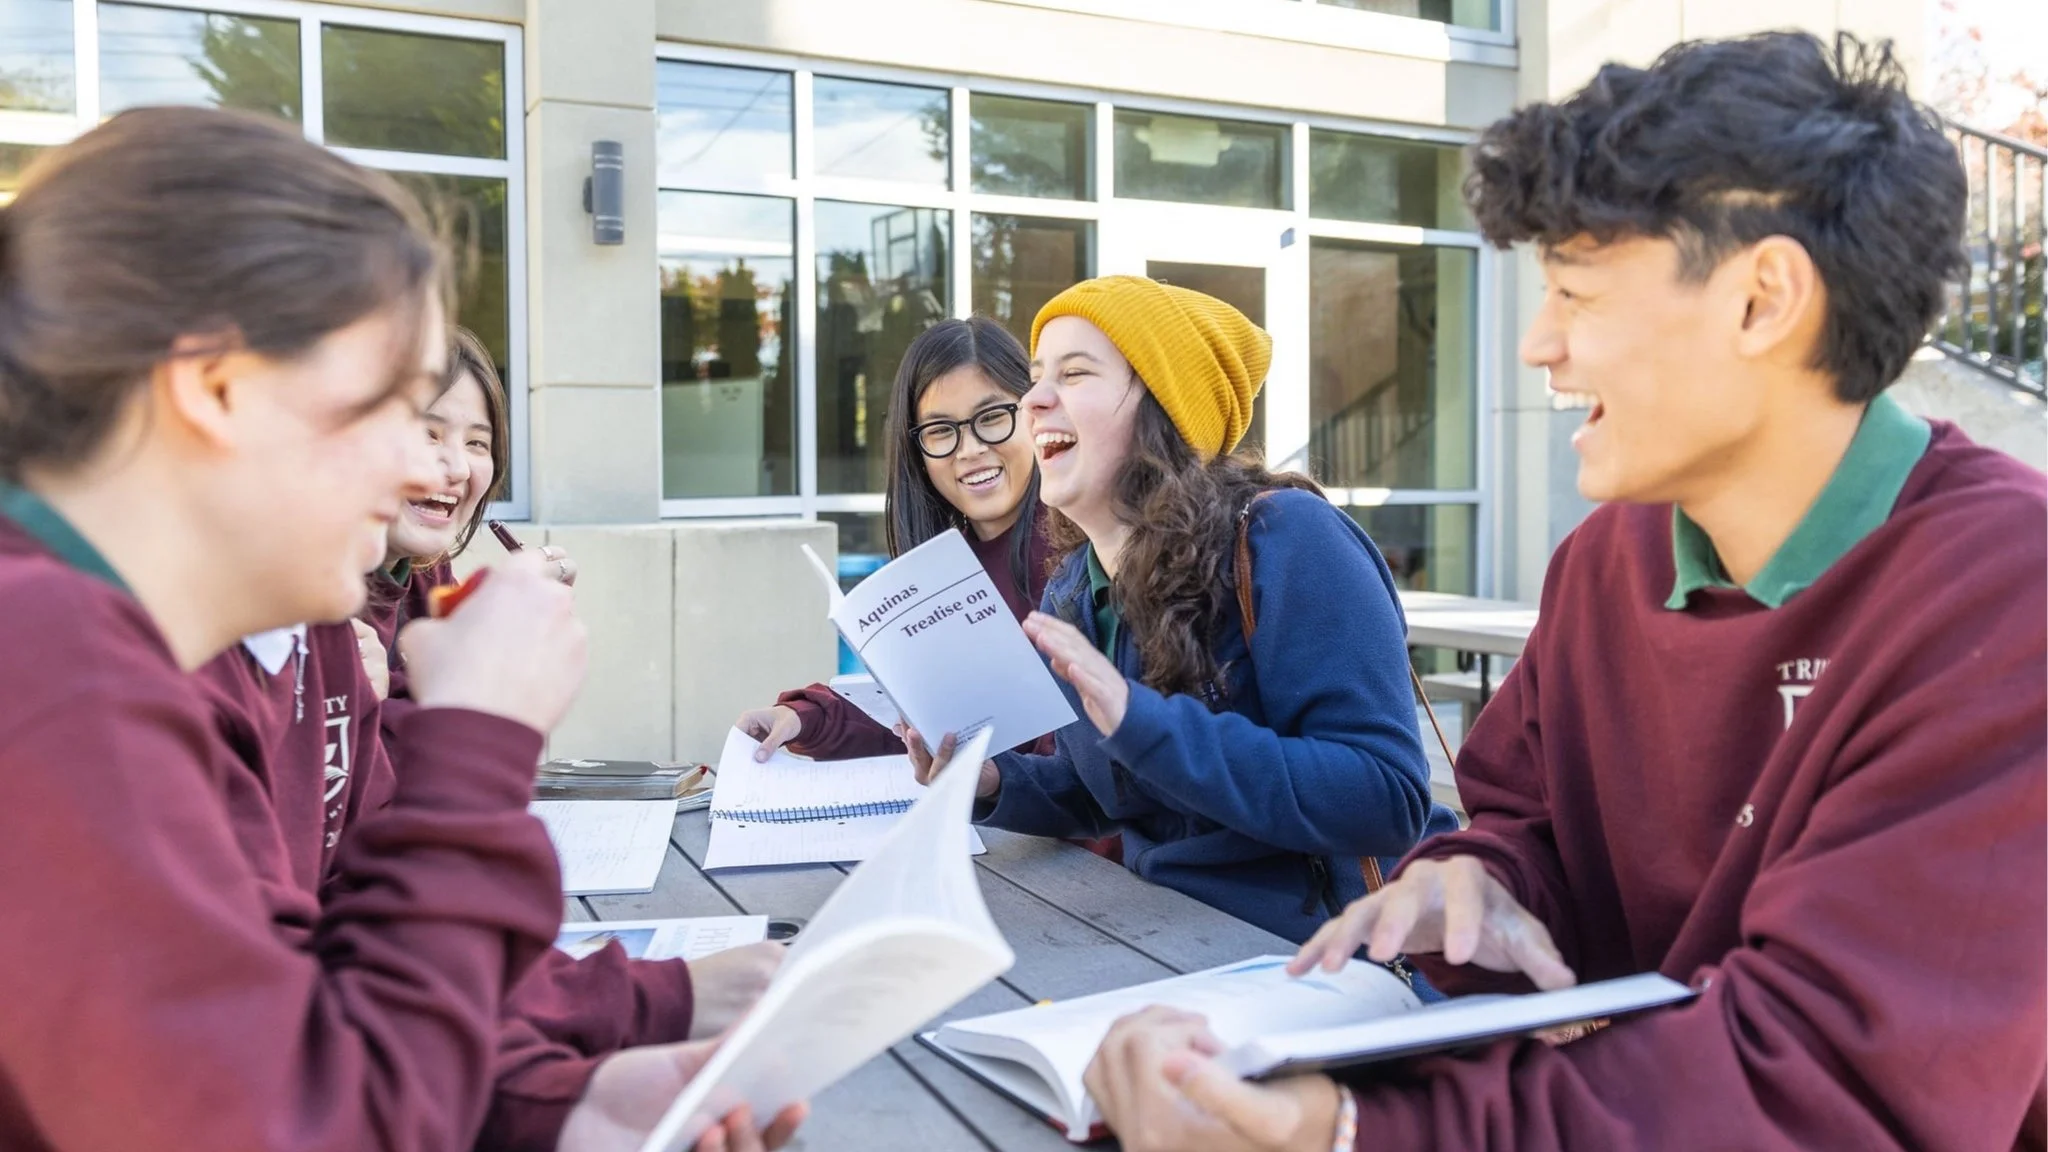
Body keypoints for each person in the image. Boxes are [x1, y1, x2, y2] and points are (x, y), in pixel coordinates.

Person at [1082, 32, 2046, 1152]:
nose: (1539, 345)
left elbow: (1829, 1092)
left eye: (1575, 292)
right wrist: (1475, 880)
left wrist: (1345, 1131)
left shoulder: (2001, 595)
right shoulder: (1607, 562)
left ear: (1760, 299)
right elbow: (1519, 823)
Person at [0, 106, 797, 1152]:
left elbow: (298, 1015)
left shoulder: (124, 641)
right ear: (217, 387)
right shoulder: (43, 656)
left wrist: (558, 1107)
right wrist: (476, 739)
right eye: (390, 405)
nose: (429, 472)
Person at [907, 277, 1460, 948]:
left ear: (1166, 410)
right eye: (1034, 378)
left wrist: (1147, 725)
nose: (1034, 401)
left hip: (1320, 958)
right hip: (1167, 940)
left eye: (1075, 373)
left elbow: (1385, 799)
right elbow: (1119, 794)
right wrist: (994, 783)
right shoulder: (1075, 591)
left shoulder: (1288, 541)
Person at [736, 317, 1050, 761]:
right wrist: (806, 718)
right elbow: (926, 721)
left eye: (993, 417)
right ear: (916, 452)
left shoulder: (1087, 553)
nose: (969, 449)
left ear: (1035, 412)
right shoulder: (942, 572)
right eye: (941, 430)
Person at [359, 326, 575, 722]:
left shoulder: (430, 576)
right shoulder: (297, 597)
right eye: (428, 433)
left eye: (477, 443)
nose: (457, 468)